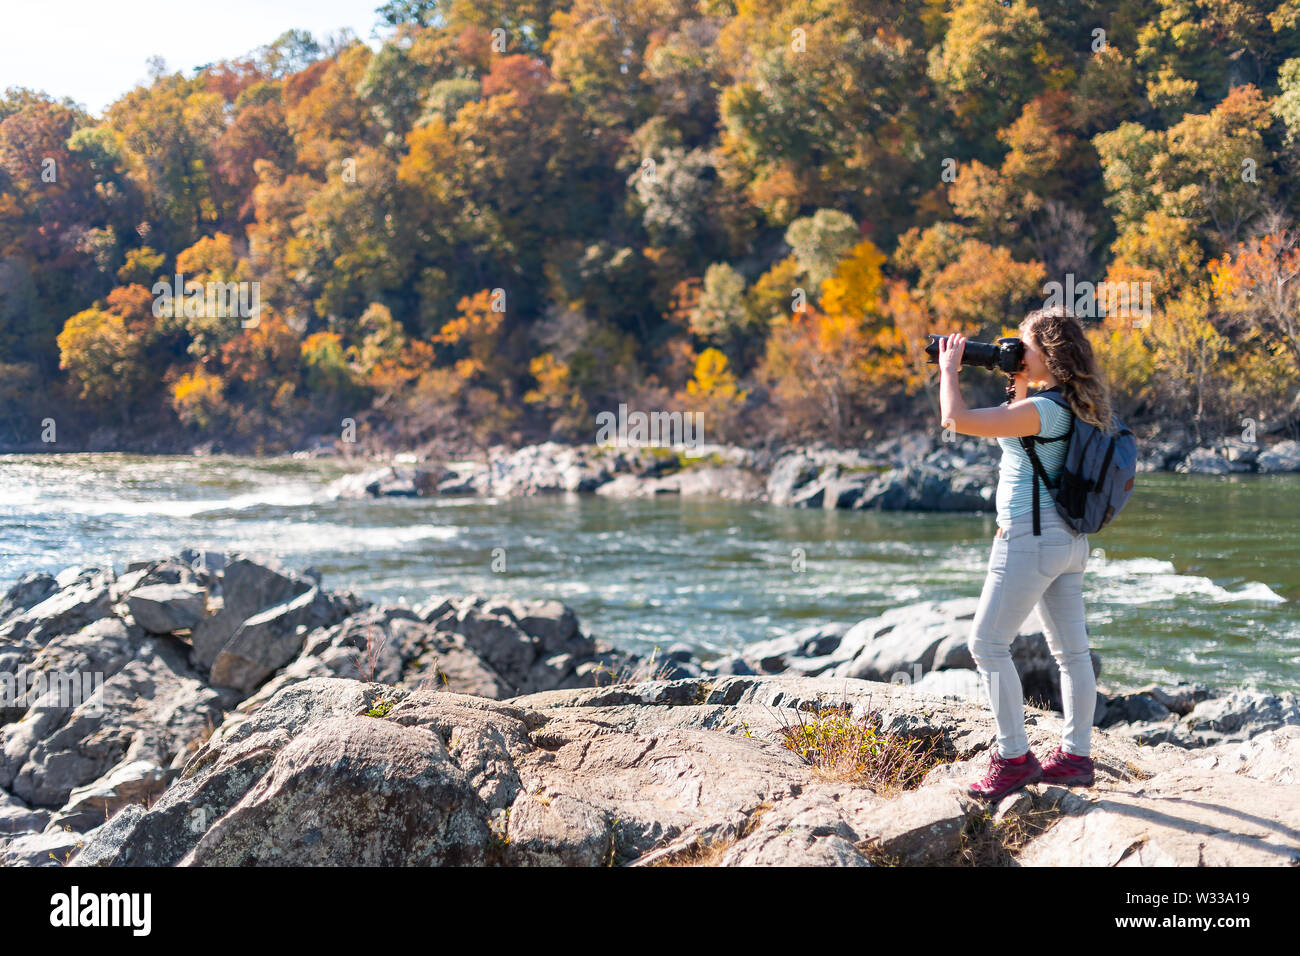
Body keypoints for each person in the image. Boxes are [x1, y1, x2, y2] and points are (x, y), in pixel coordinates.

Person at [935, 306, 1114, 802]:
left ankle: (1013, 758)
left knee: (986, 645)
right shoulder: (1071, 405)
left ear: (1048, 352)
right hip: (1069, 542)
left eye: (1023, 344)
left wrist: (950, 370)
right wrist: (1015, 377)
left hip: (1029, 539)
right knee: (1072, 654)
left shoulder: (1043, 411)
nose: (1015, 349)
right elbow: (1010, 437)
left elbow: (958, 419)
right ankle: (1076, 756)